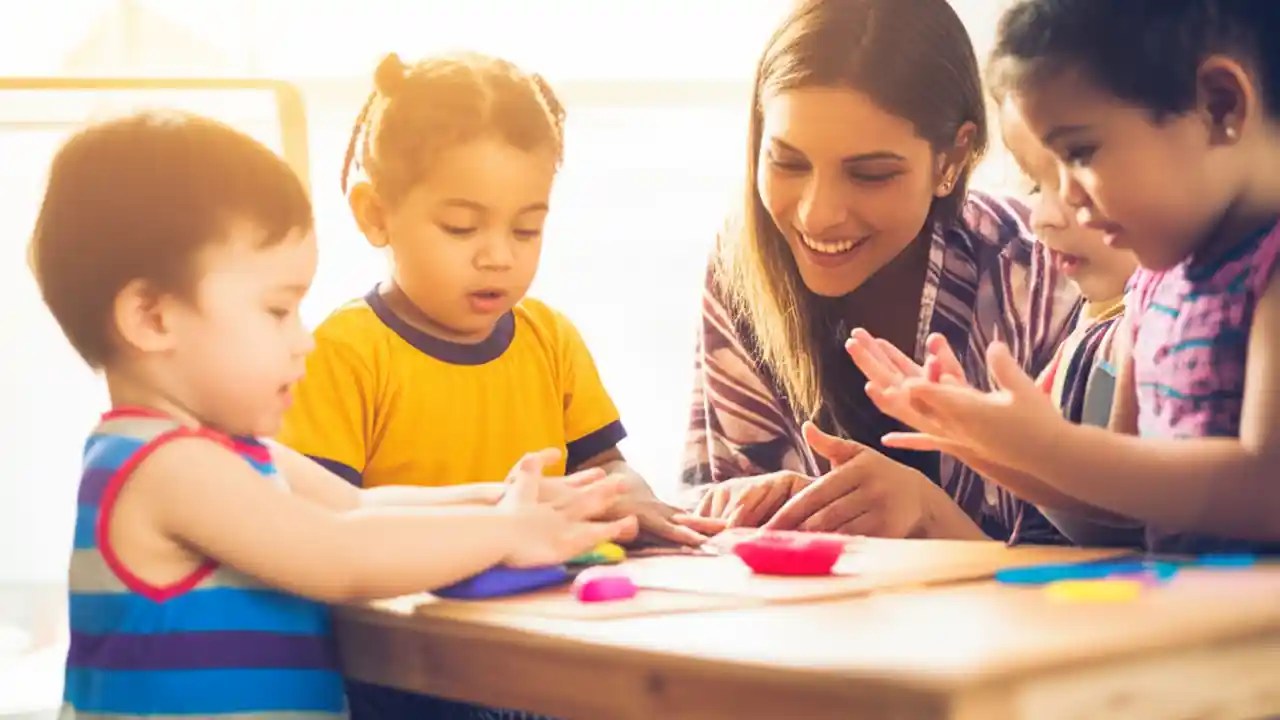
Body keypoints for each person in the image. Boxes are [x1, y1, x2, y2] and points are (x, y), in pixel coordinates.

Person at [33, 111, 634, 718]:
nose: (304, 341)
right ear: (152, 318)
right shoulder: (165, 468)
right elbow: (338, 553)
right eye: (276, 311)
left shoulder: (230, 456)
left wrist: (510, 500)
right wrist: (505, 533)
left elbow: (359, 504)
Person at [276, 51, 708, 718]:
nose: (498, 254)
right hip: (410, 673)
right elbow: (321, 521)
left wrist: (634, 506)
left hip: (550, 651)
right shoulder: (344, 352)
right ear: (375, 213)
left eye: (526, 228)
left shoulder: (550, 338)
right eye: (461, 227)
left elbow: (604, 469)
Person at [875, 0, 1280, 555]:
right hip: (1189, 625)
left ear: (1219, 105)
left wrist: (1053, 447)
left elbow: (1265, 488)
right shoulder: (1154, 288)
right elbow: (1120, 507)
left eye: (1080, 152)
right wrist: (991, 444)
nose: (1063, 198)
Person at [681, 0, 1080, 543]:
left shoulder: (1041, 270)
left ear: (952, 159)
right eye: (788, 163)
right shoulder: (741, 267)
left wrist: (930, 515)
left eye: (870, 175)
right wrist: (749, 512)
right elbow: (718, 512)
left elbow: (1100, 572)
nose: (816, 213)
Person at [848, 74, 1142, 546]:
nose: (1044, 216)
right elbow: (1087, 524)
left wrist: (1010, 448)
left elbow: (1127, 515)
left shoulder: (1145, 330)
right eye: (1036, 184)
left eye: (1078, 174)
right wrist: (977, 441)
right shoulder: (1091, 325)